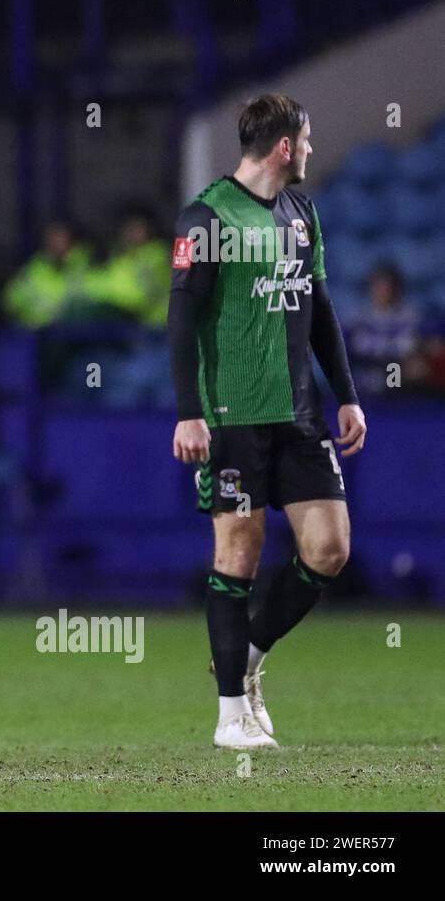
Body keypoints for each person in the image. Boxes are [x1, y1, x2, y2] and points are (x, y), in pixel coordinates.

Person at [169, 94, 367, 749]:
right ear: (285, 144)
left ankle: (249, 655)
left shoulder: (301, 213)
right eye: (306, 139)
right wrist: (188, 413)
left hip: (300, 414)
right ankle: (230, 717)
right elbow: (181, 319)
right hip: (232, 418)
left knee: (329, 549)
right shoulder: (207, 216)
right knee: (238, 553)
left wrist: (347, 394)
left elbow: (321, 309)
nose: (310, 149)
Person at [346, 261, 437, 397]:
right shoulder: (357, 320)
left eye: (387, 286)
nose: (383, 291)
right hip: (365, 379)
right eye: (379, 286)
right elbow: (348, 354)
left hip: (399, 382)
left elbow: (424, 350)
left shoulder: (411, 319)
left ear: (397, 288)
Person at [2, 219, 93, 328]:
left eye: (62, 240)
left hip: (81, 333)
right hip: (42, 335)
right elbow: (11, 300)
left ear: (72, 242)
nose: (57, 246)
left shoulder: (86, 267)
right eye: (53, 241)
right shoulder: (34, 271)